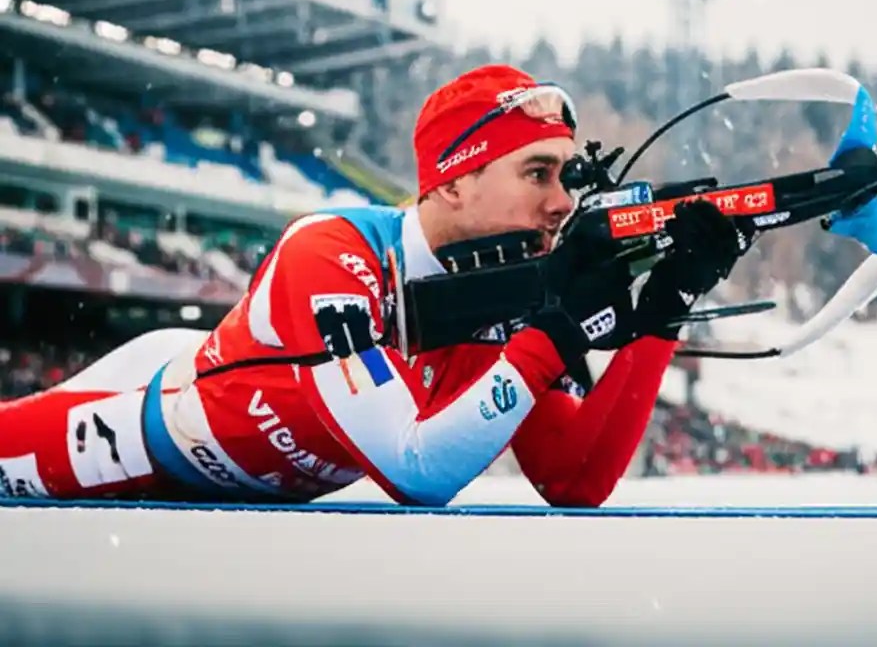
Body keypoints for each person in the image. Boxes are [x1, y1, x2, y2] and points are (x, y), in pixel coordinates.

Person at [0, 64, 747, 507]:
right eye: (537, 173)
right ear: (453, 184)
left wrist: (663, 308)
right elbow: (415, 470)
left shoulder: (492, 294)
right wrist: (553, 334)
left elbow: (574, 477)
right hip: (147, 423)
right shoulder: (330, 252)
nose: (561, 202)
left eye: (566, 175)